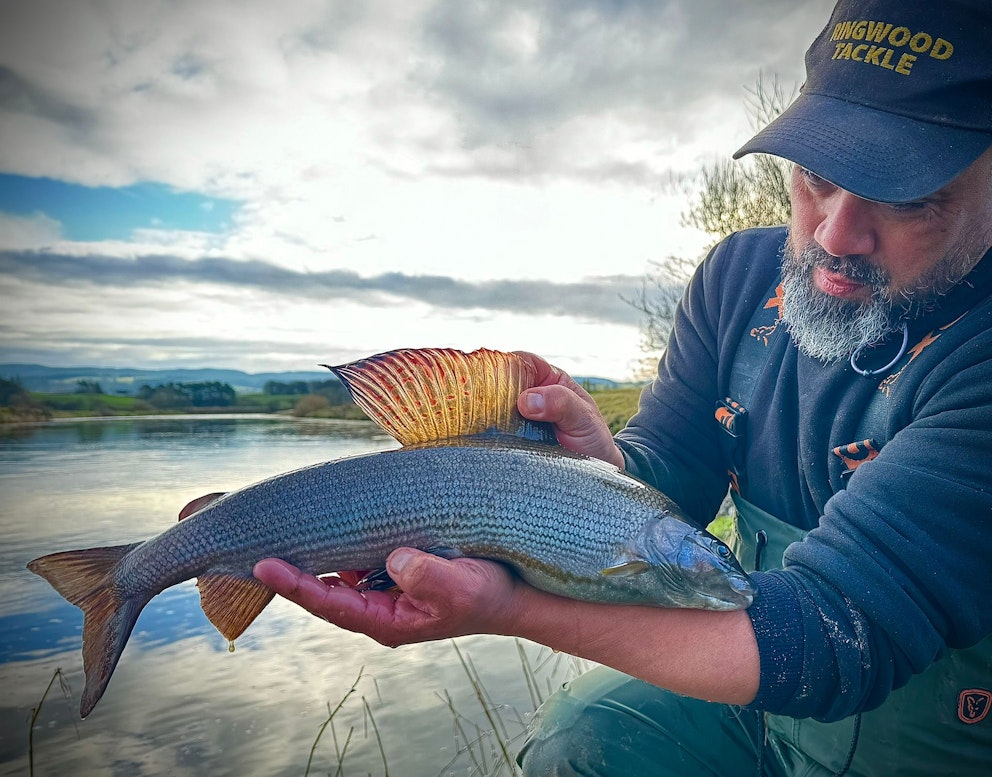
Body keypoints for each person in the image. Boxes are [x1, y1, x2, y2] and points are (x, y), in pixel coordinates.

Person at [254, 0, 992, 773]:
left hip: (916, 717)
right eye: (816, 176)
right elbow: (671, 467)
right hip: (750, 685)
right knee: (580, 742)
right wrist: (600, 467)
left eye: (906, 196)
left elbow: (836, 637)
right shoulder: (741, 277)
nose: (836, 236)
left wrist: (513, 608)